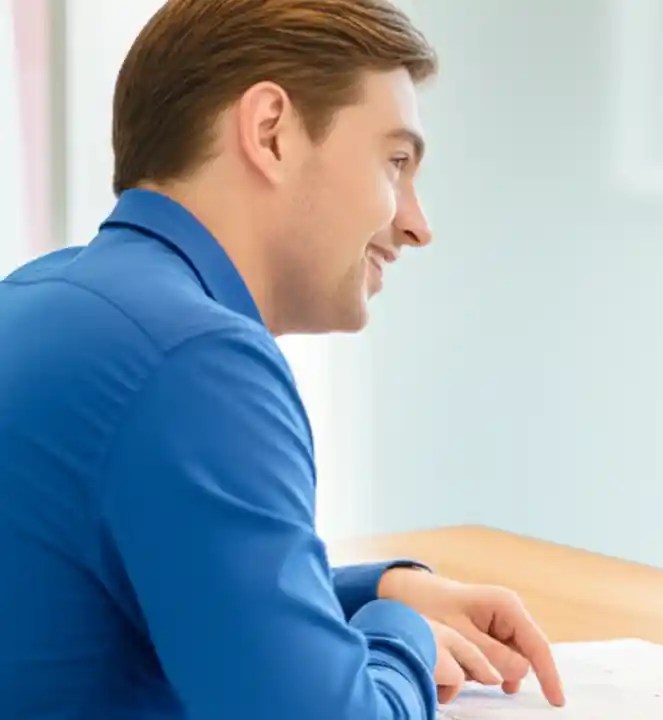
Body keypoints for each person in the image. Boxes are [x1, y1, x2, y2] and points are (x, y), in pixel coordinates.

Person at [0, 1, 564, 718]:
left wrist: (376, 590)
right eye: (395, 162)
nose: (417, 224)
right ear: (270, 131)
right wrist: (403, 635)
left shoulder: (38, 301)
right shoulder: (196, 362)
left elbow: (167, 580)